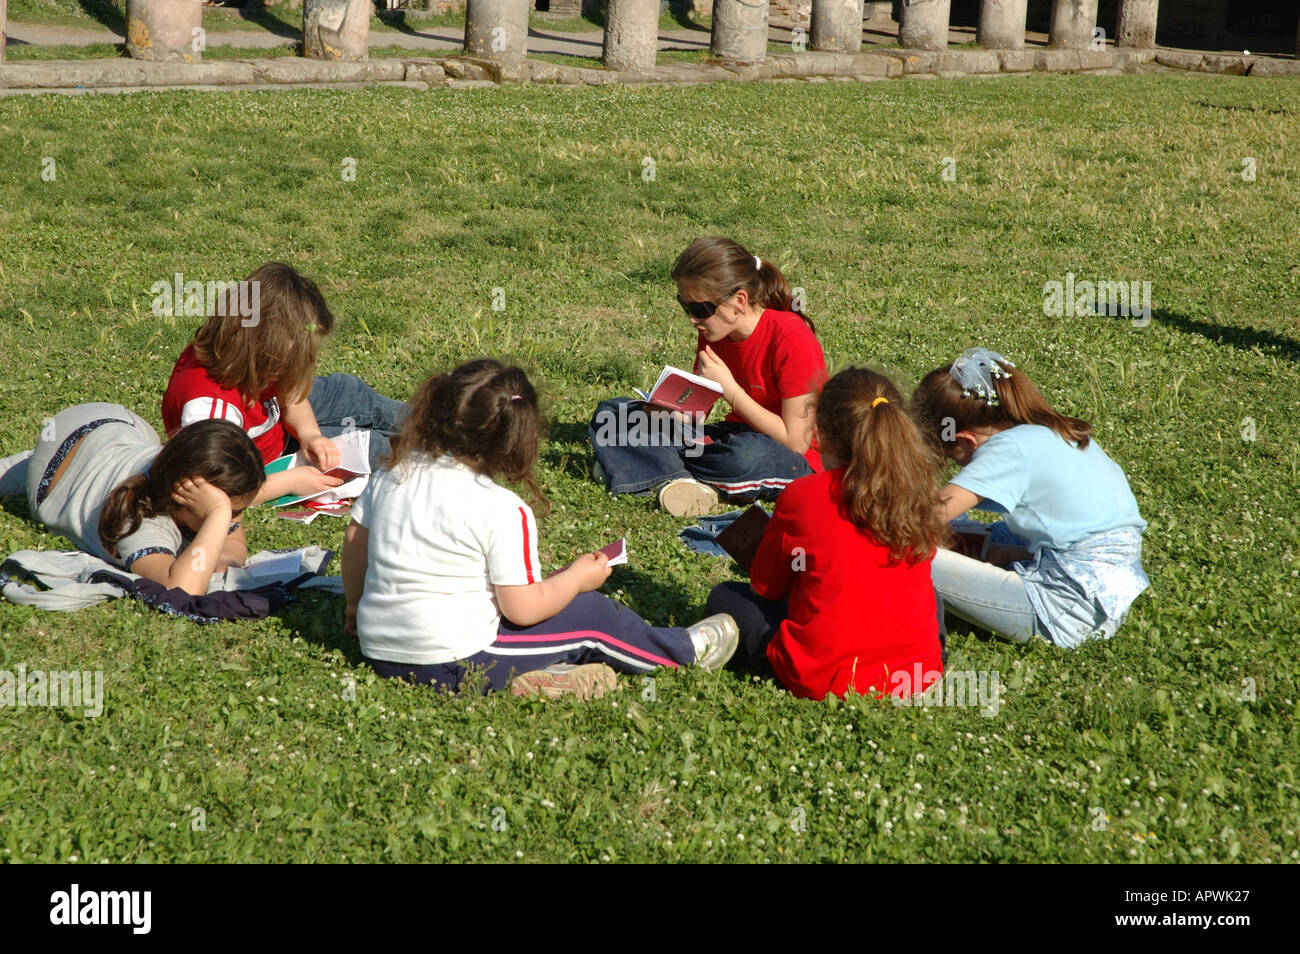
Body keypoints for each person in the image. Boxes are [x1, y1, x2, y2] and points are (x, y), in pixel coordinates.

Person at [342, 358, 739, 698]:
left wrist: (354, 605)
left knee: (539, 598)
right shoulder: (501, 507)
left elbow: (355, 539)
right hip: (455, 661)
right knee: (591, 615)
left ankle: (546, 678)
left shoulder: (394, 471)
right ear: (516, 438)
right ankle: (681, 653)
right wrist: (577, 580)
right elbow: (523, 609)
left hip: (377, 650)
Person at [706, 368, 946, 701]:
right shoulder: (917, 492)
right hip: (917, 675)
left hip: (826, 678)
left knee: (725, 596)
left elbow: (766, 587)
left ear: (821, 435)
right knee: (927, 590)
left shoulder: (804, 495)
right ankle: (928, 652)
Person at [910, 348, 1149, 649]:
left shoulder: (1006, 450)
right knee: (979, 531)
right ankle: (993, 560)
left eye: (954, 459)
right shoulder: (1052, 432)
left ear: (965, 440)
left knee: (904, 548)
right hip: (1107, 600)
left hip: (1065, 613)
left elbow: (921, 519)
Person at [588, 237, 828, 517]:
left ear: (739, 301)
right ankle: (679, 483)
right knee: (615, 414)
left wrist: (730, 390)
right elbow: (696, 415)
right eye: (685, 306)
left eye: (700, 309)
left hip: (791, 457)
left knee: (741, 458)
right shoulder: (714, 333)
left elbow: (796, 441)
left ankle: (645, 469)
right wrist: (662, 412)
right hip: (732, 437)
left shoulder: (790, 335)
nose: (692, 318)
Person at [160, 261, 405, 506]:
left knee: (350, 391)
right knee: (374, 447)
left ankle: (436, 427)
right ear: (261, 344)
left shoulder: (248, 358)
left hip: (276, 424)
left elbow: (290, 393)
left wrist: (310, 434)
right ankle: (434, 464)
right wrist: (289, 482)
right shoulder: (210, 408)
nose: (292, 370)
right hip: (273, 464)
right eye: (290, 363)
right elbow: (212, 491)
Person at [21, 404, 265, 595]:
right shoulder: (136, 517)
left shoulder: (183, 470)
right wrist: (218, 513)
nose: (230, 521)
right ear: (187, 496)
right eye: (224, 511)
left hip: (119, 432)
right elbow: (182, 589)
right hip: (66, 445)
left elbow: (234, 544)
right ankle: (24, 465)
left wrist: (223, 555)